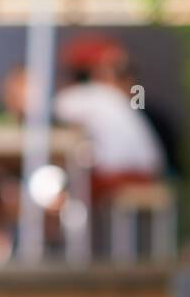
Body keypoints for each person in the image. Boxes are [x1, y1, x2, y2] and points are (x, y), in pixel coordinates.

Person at [53, 34, 165, 196]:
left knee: (65, 187)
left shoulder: (76, 97)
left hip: (122, 174)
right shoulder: (113, 97)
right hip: (147, 170)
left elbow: (55, 121)